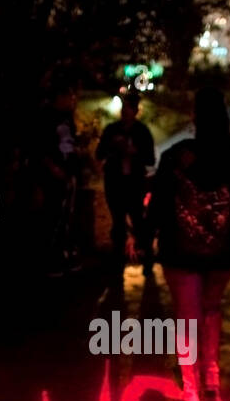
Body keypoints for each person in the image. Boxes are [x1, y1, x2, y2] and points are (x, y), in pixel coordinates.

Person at [142, 87, 230, 401]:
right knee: (211, 308)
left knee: (186, 314)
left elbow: (160, 204)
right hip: (221, 250)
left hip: (178, 250)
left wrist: (143, 238)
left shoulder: (175, 156)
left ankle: (190, 379)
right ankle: (211, 371)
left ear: (195, 118)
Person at [96, 92, 156, 274]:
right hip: (115, 182)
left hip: (134, 183)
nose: (125, 112)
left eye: (128, 109)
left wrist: (134, 151)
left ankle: (146, 258)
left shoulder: (142, 132)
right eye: (124, 108)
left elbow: (150, 159)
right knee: (118, 222)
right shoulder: (111, 130)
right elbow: (99, 154)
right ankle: (118, 261)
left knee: (138, 221)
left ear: (136, 111)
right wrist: (113, 148)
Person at [29, 80, 84, 275]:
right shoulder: (45, 118)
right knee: (51, 216)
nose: (72, 100)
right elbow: (39, 148)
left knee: (65, 216)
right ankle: (48, 258)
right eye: (69, 96)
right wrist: (53, 167)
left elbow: (69, 143)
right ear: (60, 98)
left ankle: (62, 254)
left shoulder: (67, 118)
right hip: (52, 176)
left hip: (68, 173)